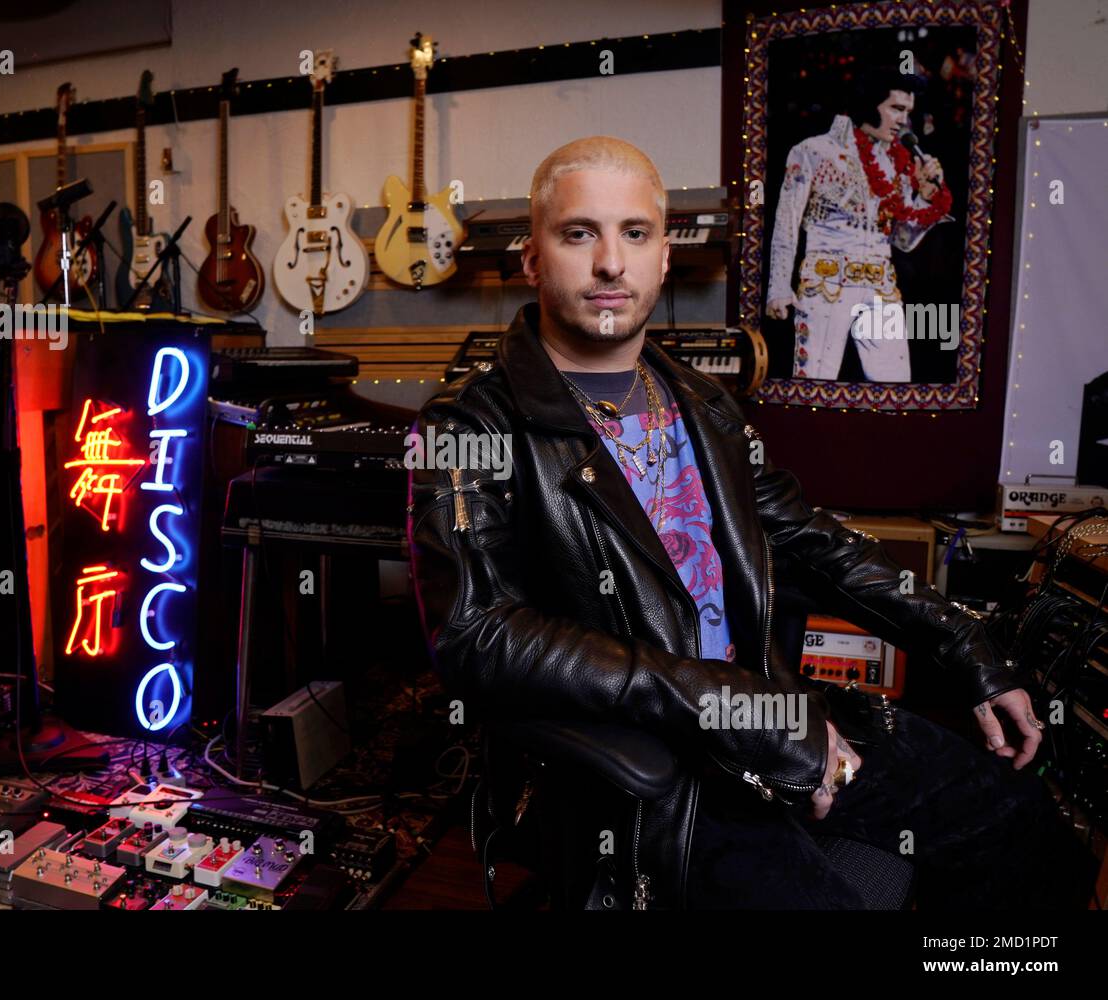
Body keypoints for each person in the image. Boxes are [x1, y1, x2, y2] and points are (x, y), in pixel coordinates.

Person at [406, 135, 1095, 909]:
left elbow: (811, 537)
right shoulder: (466, 425)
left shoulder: (703, 404)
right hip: (653, 776)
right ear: (532, 260)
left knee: (1033, 840)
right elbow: (477, 635)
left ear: (665, 257)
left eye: (634, 233)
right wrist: (746, 714)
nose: (609, 264)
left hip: (777, 712)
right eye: (578, 234)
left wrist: (965, 644)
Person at [765, 69, 954, 382]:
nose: (904, 121)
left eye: (908, 112)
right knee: (814, 383)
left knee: (895, 386)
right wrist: (779, 286)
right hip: (826, 284)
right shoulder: (813, 151)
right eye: (896, 108)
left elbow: (903, 241)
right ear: (869, 104)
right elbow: (786, 221)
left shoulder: (897, 163)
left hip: (881, 287)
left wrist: (924, 197)